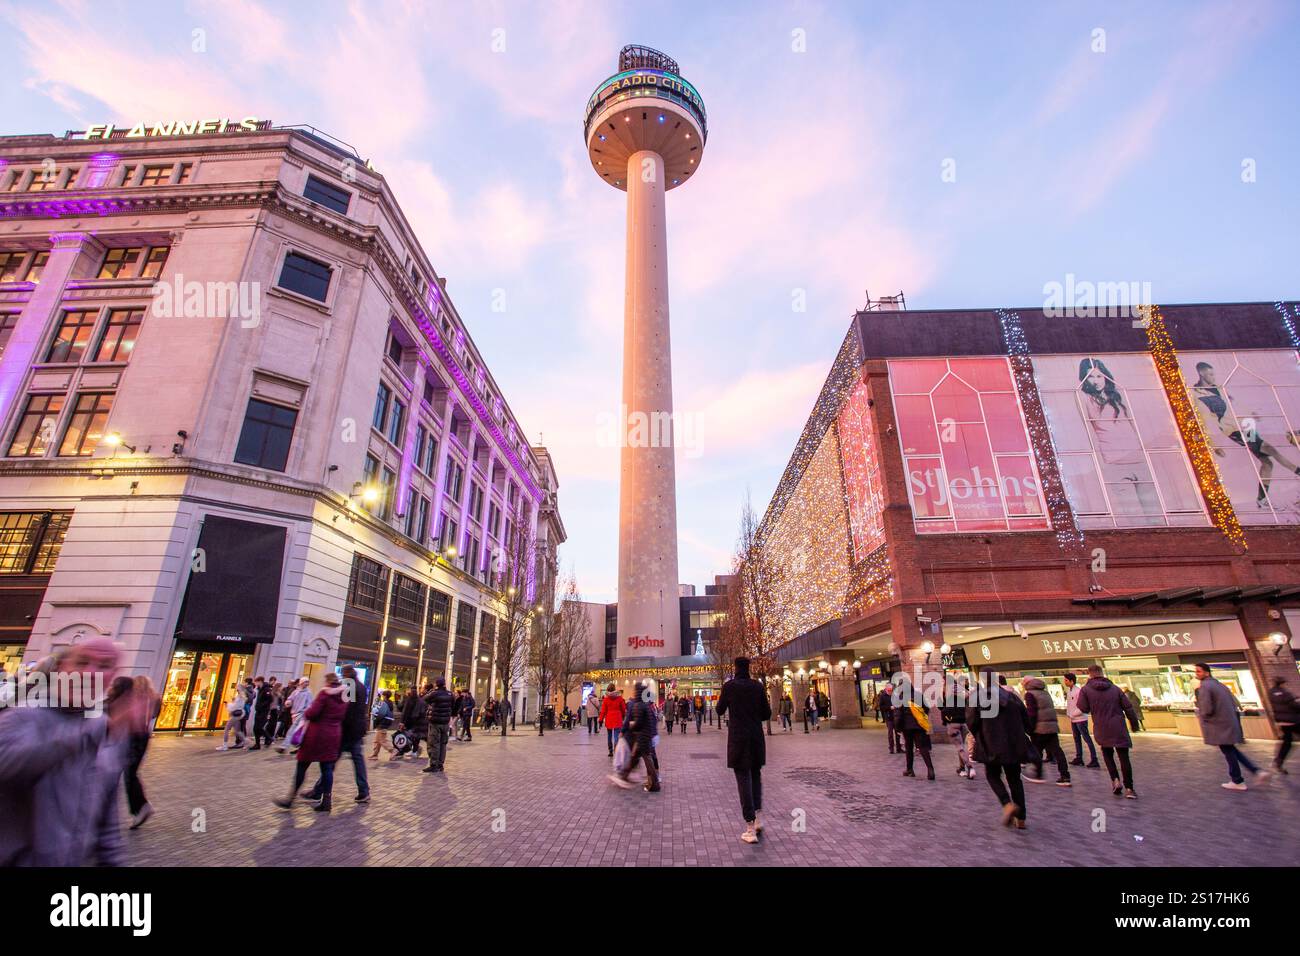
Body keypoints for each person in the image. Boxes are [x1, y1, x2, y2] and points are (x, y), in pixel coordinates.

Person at [0, 637, 127, 865]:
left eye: (104, 666)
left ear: (113, 676)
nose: (89, 673)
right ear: (61, 667)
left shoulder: (106, 732)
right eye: (81, 662)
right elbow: (8, 768)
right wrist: (86, 734)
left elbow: (107, 820)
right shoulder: (21, 716)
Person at [967, 672, 1033, 830]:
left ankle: (1006, 803)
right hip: (1013, 744)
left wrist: (980, 734)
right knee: (1015, 779)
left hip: (991, 744)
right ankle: (1021, 818)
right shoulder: (1013, 697)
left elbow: (971, 722)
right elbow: (1026, 719)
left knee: (992, 775)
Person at [715, 657, 771, 844]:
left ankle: (749, 827)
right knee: (755, 776)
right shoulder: (757, 686)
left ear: (735, 668)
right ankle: (757, 819)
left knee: (743, 779)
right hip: (756, 738)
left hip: (738, 739)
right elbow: (767, 713)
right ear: (749, 668)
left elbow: (719, 710)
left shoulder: (729, 686)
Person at [274, 672, 348, 813]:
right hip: (333, 734)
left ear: (327, 681)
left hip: (317, 735)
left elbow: (311, 713)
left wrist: (308, 711)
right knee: (327, 768)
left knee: (302, 765)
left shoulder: (325, 693)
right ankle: (326, 800)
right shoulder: (344, 696)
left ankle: (290, 798)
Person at [1194, 662, 1270, 791]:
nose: (1196, 674)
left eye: (1199, 671)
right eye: (1196, 671)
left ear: (1207, 672)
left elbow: (1207, 709)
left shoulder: (1205, 687)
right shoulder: (1219, 685)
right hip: (1228, 723)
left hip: (1218, 725)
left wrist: (1201, 713)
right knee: (1231, 750)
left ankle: (1238, 780)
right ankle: (1255, 772)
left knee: (1229, 751)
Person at [304, 666, 368, 804]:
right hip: (357, 729)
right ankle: (363, 791)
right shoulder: (361, 686)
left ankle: (318, 791)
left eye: (343, 674)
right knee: (357, 761)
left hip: (347, 730)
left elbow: (345, 707)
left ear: (346, 674)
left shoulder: (349, 685)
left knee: (330, 762)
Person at [1076, 664, 1139, 799]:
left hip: (1101, 726)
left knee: (1108, 754)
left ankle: (1115, 780)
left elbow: (1083, 708)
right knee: (1124, 757)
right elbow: (1128, 708)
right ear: (1102, 673)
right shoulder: (1115, 689)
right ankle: (1129, 788)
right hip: (1119, 726)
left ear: (1090, 674)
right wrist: (1134, 724)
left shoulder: (1086, 690)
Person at [106, 674, 161, 829]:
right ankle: (140, 808)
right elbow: (155, 715)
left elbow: (124, 718)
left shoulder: (133, 699)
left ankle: (141, 807)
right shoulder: (154, 698)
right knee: (130, 772)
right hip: (143, 736)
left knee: (128, 773)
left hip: (132, 737)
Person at [610, 682, 660, 792]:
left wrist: (631, 726)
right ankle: (625, 777)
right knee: (637, 759)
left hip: (641, 738)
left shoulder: (637, 705)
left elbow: (637, 723)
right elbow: (651, 720)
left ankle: (653, 783)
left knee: (644, 759)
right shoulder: (646, 704)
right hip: (645, 737)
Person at [1021, 677, 1071, 787]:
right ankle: (1065, 775)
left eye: (1023, 683)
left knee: (1036, 751)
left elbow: (1032, 713)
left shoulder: (1030, 694)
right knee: (1057, 751)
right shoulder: (1045, 693)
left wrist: (1030, 728)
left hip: (1039, 728)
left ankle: (1038, 775)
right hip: (1052, 727)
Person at [894, 680, 935, 781]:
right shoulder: (918, 695)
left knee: (909, 748)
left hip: (907, 727)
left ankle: (910, 770)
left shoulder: (901, 698)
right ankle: (930, 770)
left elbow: (898, 715)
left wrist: (898, 728)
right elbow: (926, 708)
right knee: (923, 748)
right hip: (919, 726)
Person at [1063, 672, 1099, 768]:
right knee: (1077, 739)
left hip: (1081, 719)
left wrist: (1073, 714)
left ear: (1072, 681)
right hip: (1073, 719)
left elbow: (1082, 706)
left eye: (1066, 680)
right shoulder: (1069, 691)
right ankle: (1079, 757)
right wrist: (1069, 714)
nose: (1064, 682)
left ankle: (1094, 758)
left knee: (1086, 738)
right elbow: (1070, 705)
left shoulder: (1078, 691)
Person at [940, 684, 976, 780]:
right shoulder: (964, 700)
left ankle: (970, 767)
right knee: (962, 747)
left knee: (960, 748)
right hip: (963, 724)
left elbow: (943, 712)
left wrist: (945, 722)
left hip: (953, 725)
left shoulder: (948, 700)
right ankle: (962, 769)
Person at [421, 677, 456, 773]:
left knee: (434, 743)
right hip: (445, 722)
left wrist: (432, 690)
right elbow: (454, 706)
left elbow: (424, 698)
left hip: (435, 722)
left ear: (437, 684)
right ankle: (440, 764)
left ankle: (434, 764)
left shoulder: (434, 694)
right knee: (443, 743)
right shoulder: (450, 694)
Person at [1267, 677, 1300, 773]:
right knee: (1287, 742)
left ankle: (1278, 761)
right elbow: (1294, 705)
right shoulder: (1285, 693)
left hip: (1282, 721)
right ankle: (1278, 761)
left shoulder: (1271, 693)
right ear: (1282, 683)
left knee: (1287, 742)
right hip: (1292, 720)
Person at [393, 686, 428, 759]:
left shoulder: (408, 700)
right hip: (418, 723)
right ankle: (414, 751)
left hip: (409, 722)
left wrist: (402, 722)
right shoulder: (421, 700)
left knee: (406, 736)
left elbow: (404, 711)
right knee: (416, 737)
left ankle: (403, 751)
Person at [217, 681, 247, 751]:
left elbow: (235, 706)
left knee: (227, 729)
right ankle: (246, 742)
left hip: (236, 714)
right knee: (237, 730)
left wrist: (228, 705)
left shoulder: (239, 696)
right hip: (239, 714)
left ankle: (224, 746)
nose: (236, 688)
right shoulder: (242, 696)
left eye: (237, 687)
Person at [600, 683, 626, 756]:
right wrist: (623, 716)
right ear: (614, 689)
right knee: (616, 735)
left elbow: (603, 711)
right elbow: (623, 709)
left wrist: (600, 719)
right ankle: (616, 750)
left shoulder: (606, 699)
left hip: (609, 719)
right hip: (617, 718)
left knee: (609, 735)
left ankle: (610, 751)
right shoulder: (620, 698)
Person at [370, 689, 396, 758]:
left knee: (382, 740)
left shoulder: (385, 703)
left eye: (383, 695)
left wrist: (376, 721)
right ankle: (375, 754)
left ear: (384, 696)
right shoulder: (389, 703)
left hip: (382, 723)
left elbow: (381, 714)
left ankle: (393, 750)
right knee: (377, 740)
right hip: (385, 723)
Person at [876, 685, 900, 752]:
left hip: (896, 716)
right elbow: (881, 707)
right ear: (886, 690)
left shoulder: (895, 696)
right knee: (890, 733)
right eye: (889, 690)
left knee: (897, 733)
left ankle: (899, 748)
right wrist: (889, 707)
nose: (890, 692)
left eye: (891, 690)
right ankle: (891, 748)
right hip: (889, 717)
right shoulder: (883, 696)